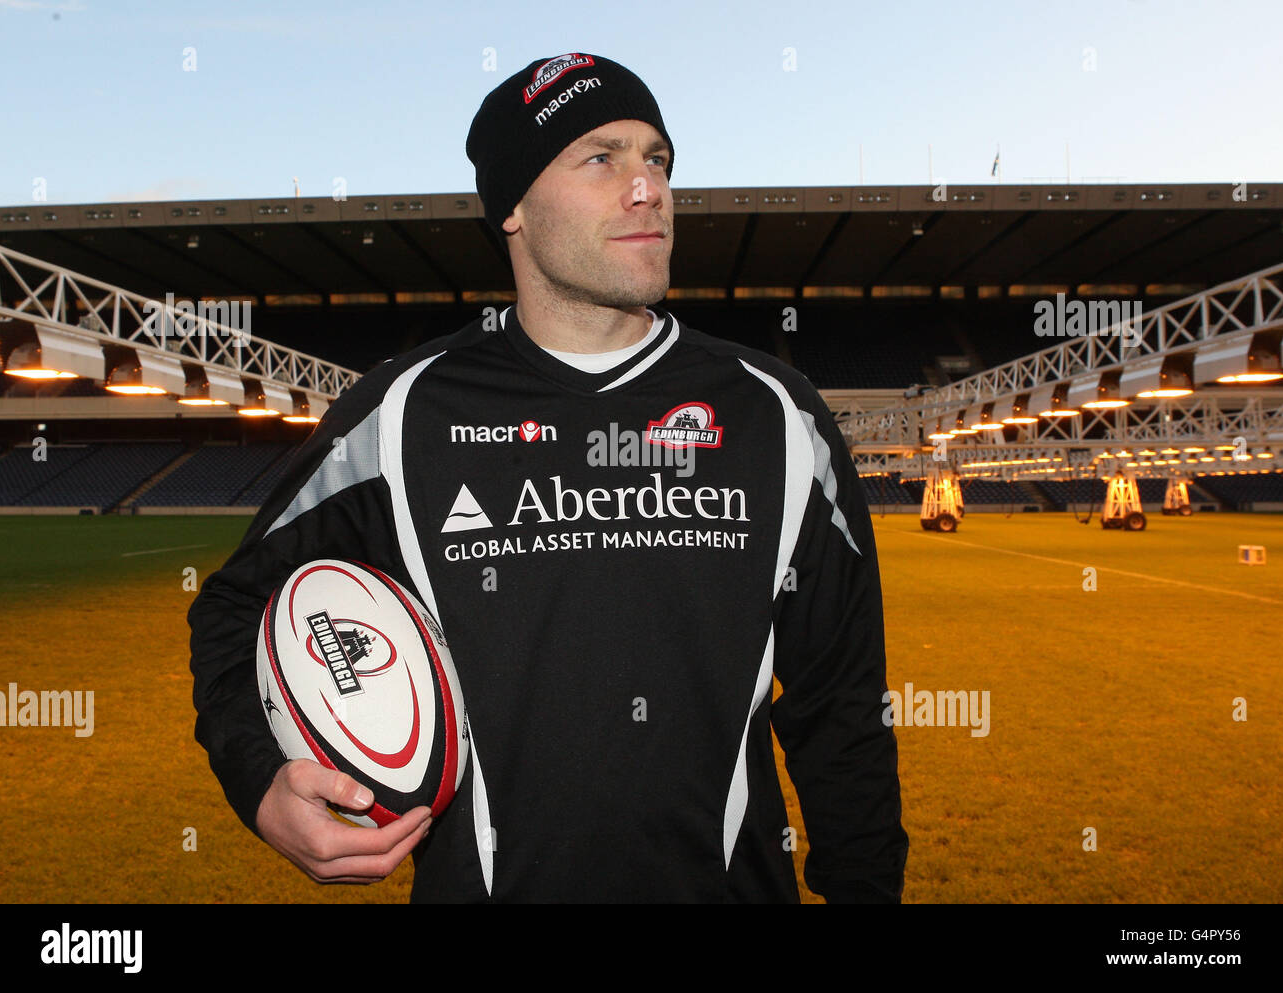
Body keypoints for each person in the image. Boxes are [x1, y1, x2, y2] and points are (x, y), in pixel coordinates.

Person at [188, 52, 909, 903]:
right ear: (514, 211)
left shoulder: (776, 415)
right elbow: (235, 611)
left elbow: (843, 711)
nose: (647, 188)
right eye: (601, 158)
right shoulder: (402, 413)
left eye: (657, 159)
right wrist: (260, 784)